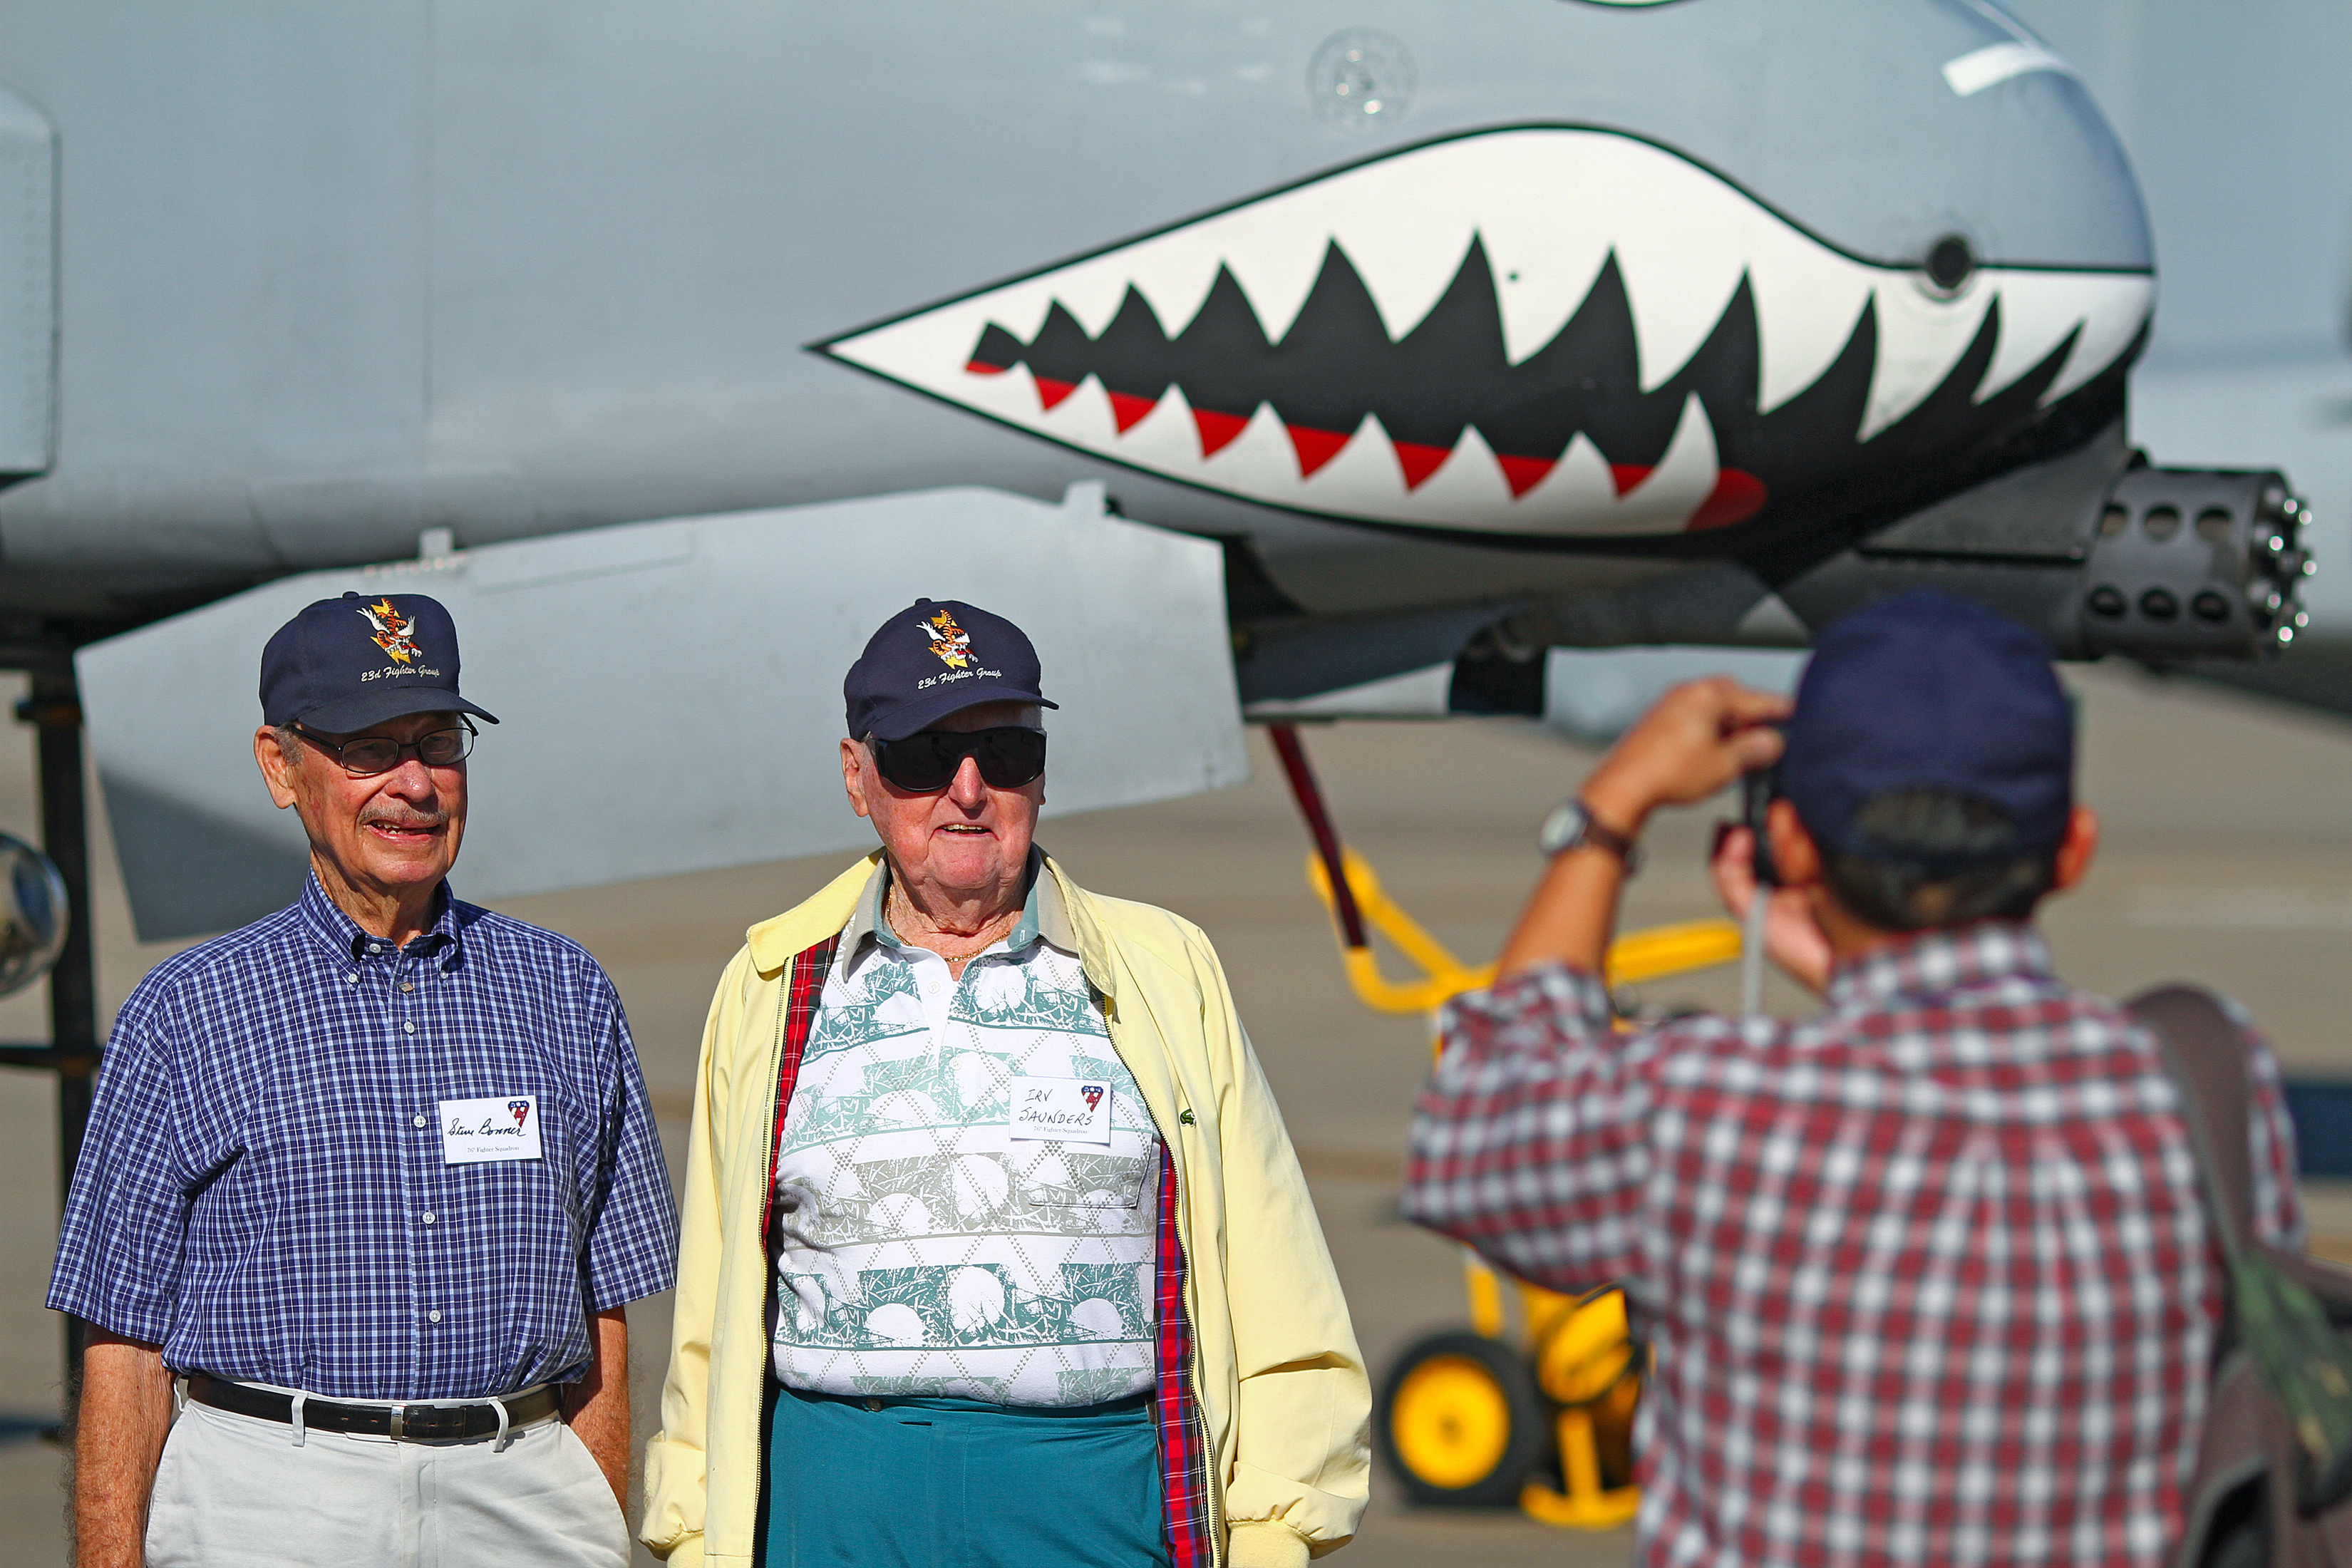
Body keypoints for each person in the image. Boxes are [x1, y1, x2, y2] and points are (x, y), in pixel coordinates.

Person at [1401, 589, 2301, 1568]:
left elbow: (1469, 1128)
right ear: (2072, 849)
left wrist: (1607, 817)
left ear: (1791, 844)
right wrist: (1866, 979)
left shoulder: (1708, 1108)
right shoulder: (2206, 1082)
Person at [643, 597, 1368, 1568]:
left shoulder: (1166, 970)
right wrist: (694, 1533)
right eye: (923, 755)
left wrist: (1278, 1531)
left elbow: (1280, 1282)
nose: (969, 789)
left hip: (1091, 1505)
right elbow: (712, 1311)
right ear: (857, 775)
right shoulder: (770, 987)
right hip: (832, 1507)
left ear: (1043, 772)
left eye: (1006, 750)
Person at [49, 591, 679, 1568]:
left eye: (438, 743)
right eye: (369, 750)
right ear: (280, 767)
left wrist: (582, 1515)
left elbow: (606, 1307)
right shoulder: (185, 1011)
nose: (414, 784)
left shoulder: (566, 992)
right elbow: (123, 1342)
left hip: (521, 1494)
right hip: (267, 1504)